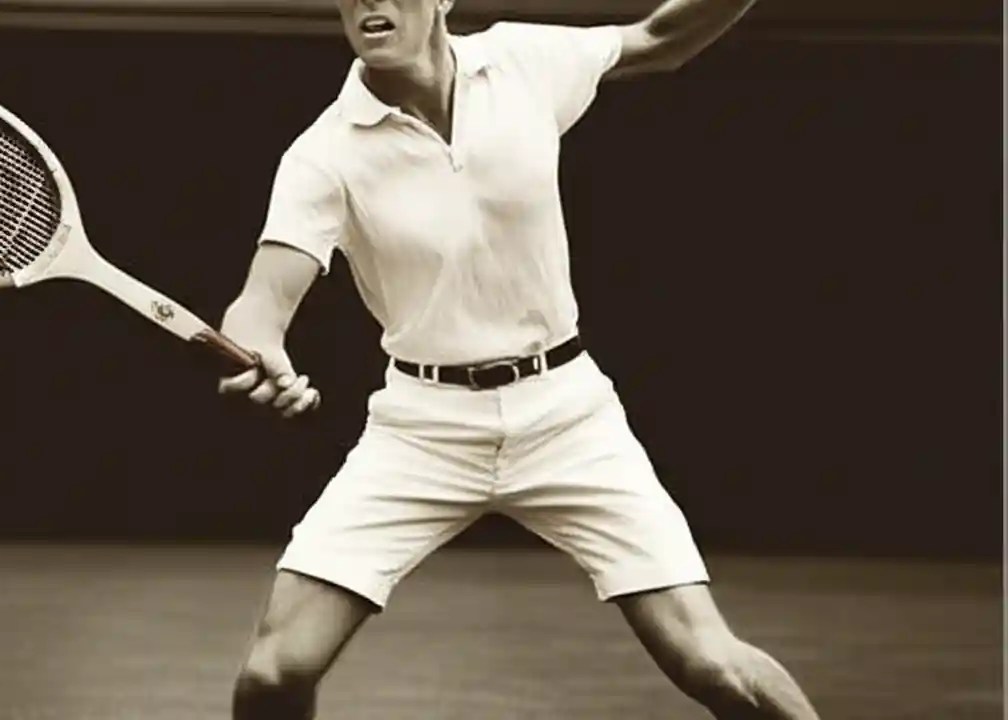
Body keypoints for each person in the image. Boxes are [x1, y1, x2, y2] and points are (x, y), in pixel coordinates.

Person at [217, 0, 821, 717]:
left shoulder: (522, 63)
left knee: (714, 666)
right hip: (421, 428)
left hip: (567, 414)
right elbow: (261, 305)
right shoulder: (324, 154)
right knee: (272, 674)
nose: (368, 1)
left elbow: (660, 39)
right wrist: (261, 347)